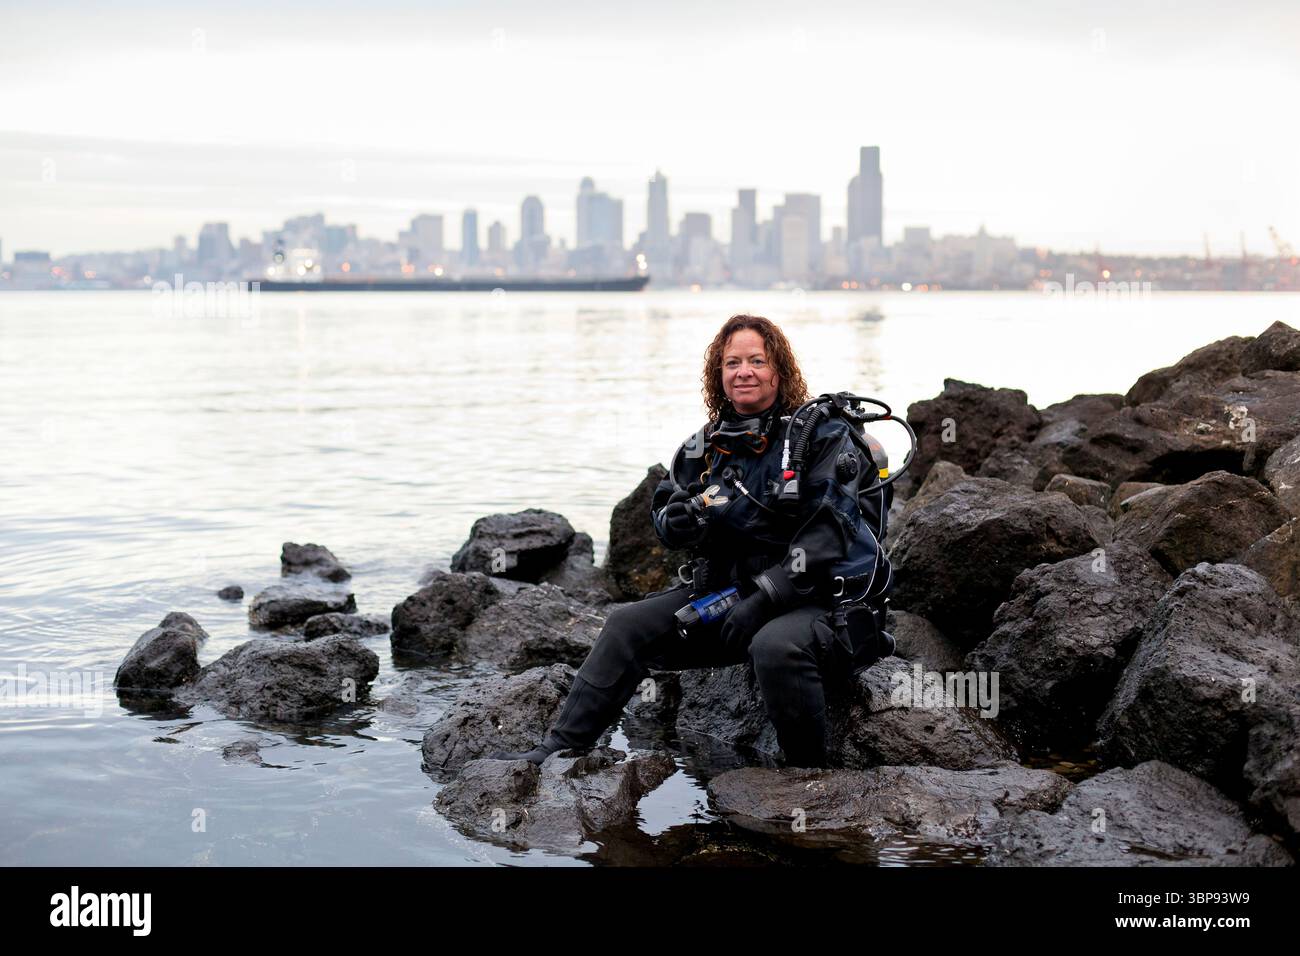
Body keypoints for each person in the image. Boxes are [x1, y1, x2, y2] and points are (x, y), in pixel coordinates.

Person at [491, 313, 894, 768]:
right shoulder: (705, 447)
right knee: (627, 626)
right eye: (732, 363)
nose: (744, 371)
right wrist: (675, 523)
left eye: (757, 361)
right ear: (718, 376)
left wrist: (766, 598)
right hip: (728, 601)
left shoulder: (821, 436)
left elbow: (830, 532)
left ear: (779, 370)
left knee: (774, 646)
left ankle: (806, 776)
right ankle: (560, 750)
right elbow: (665, 507)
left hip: (818, 606)